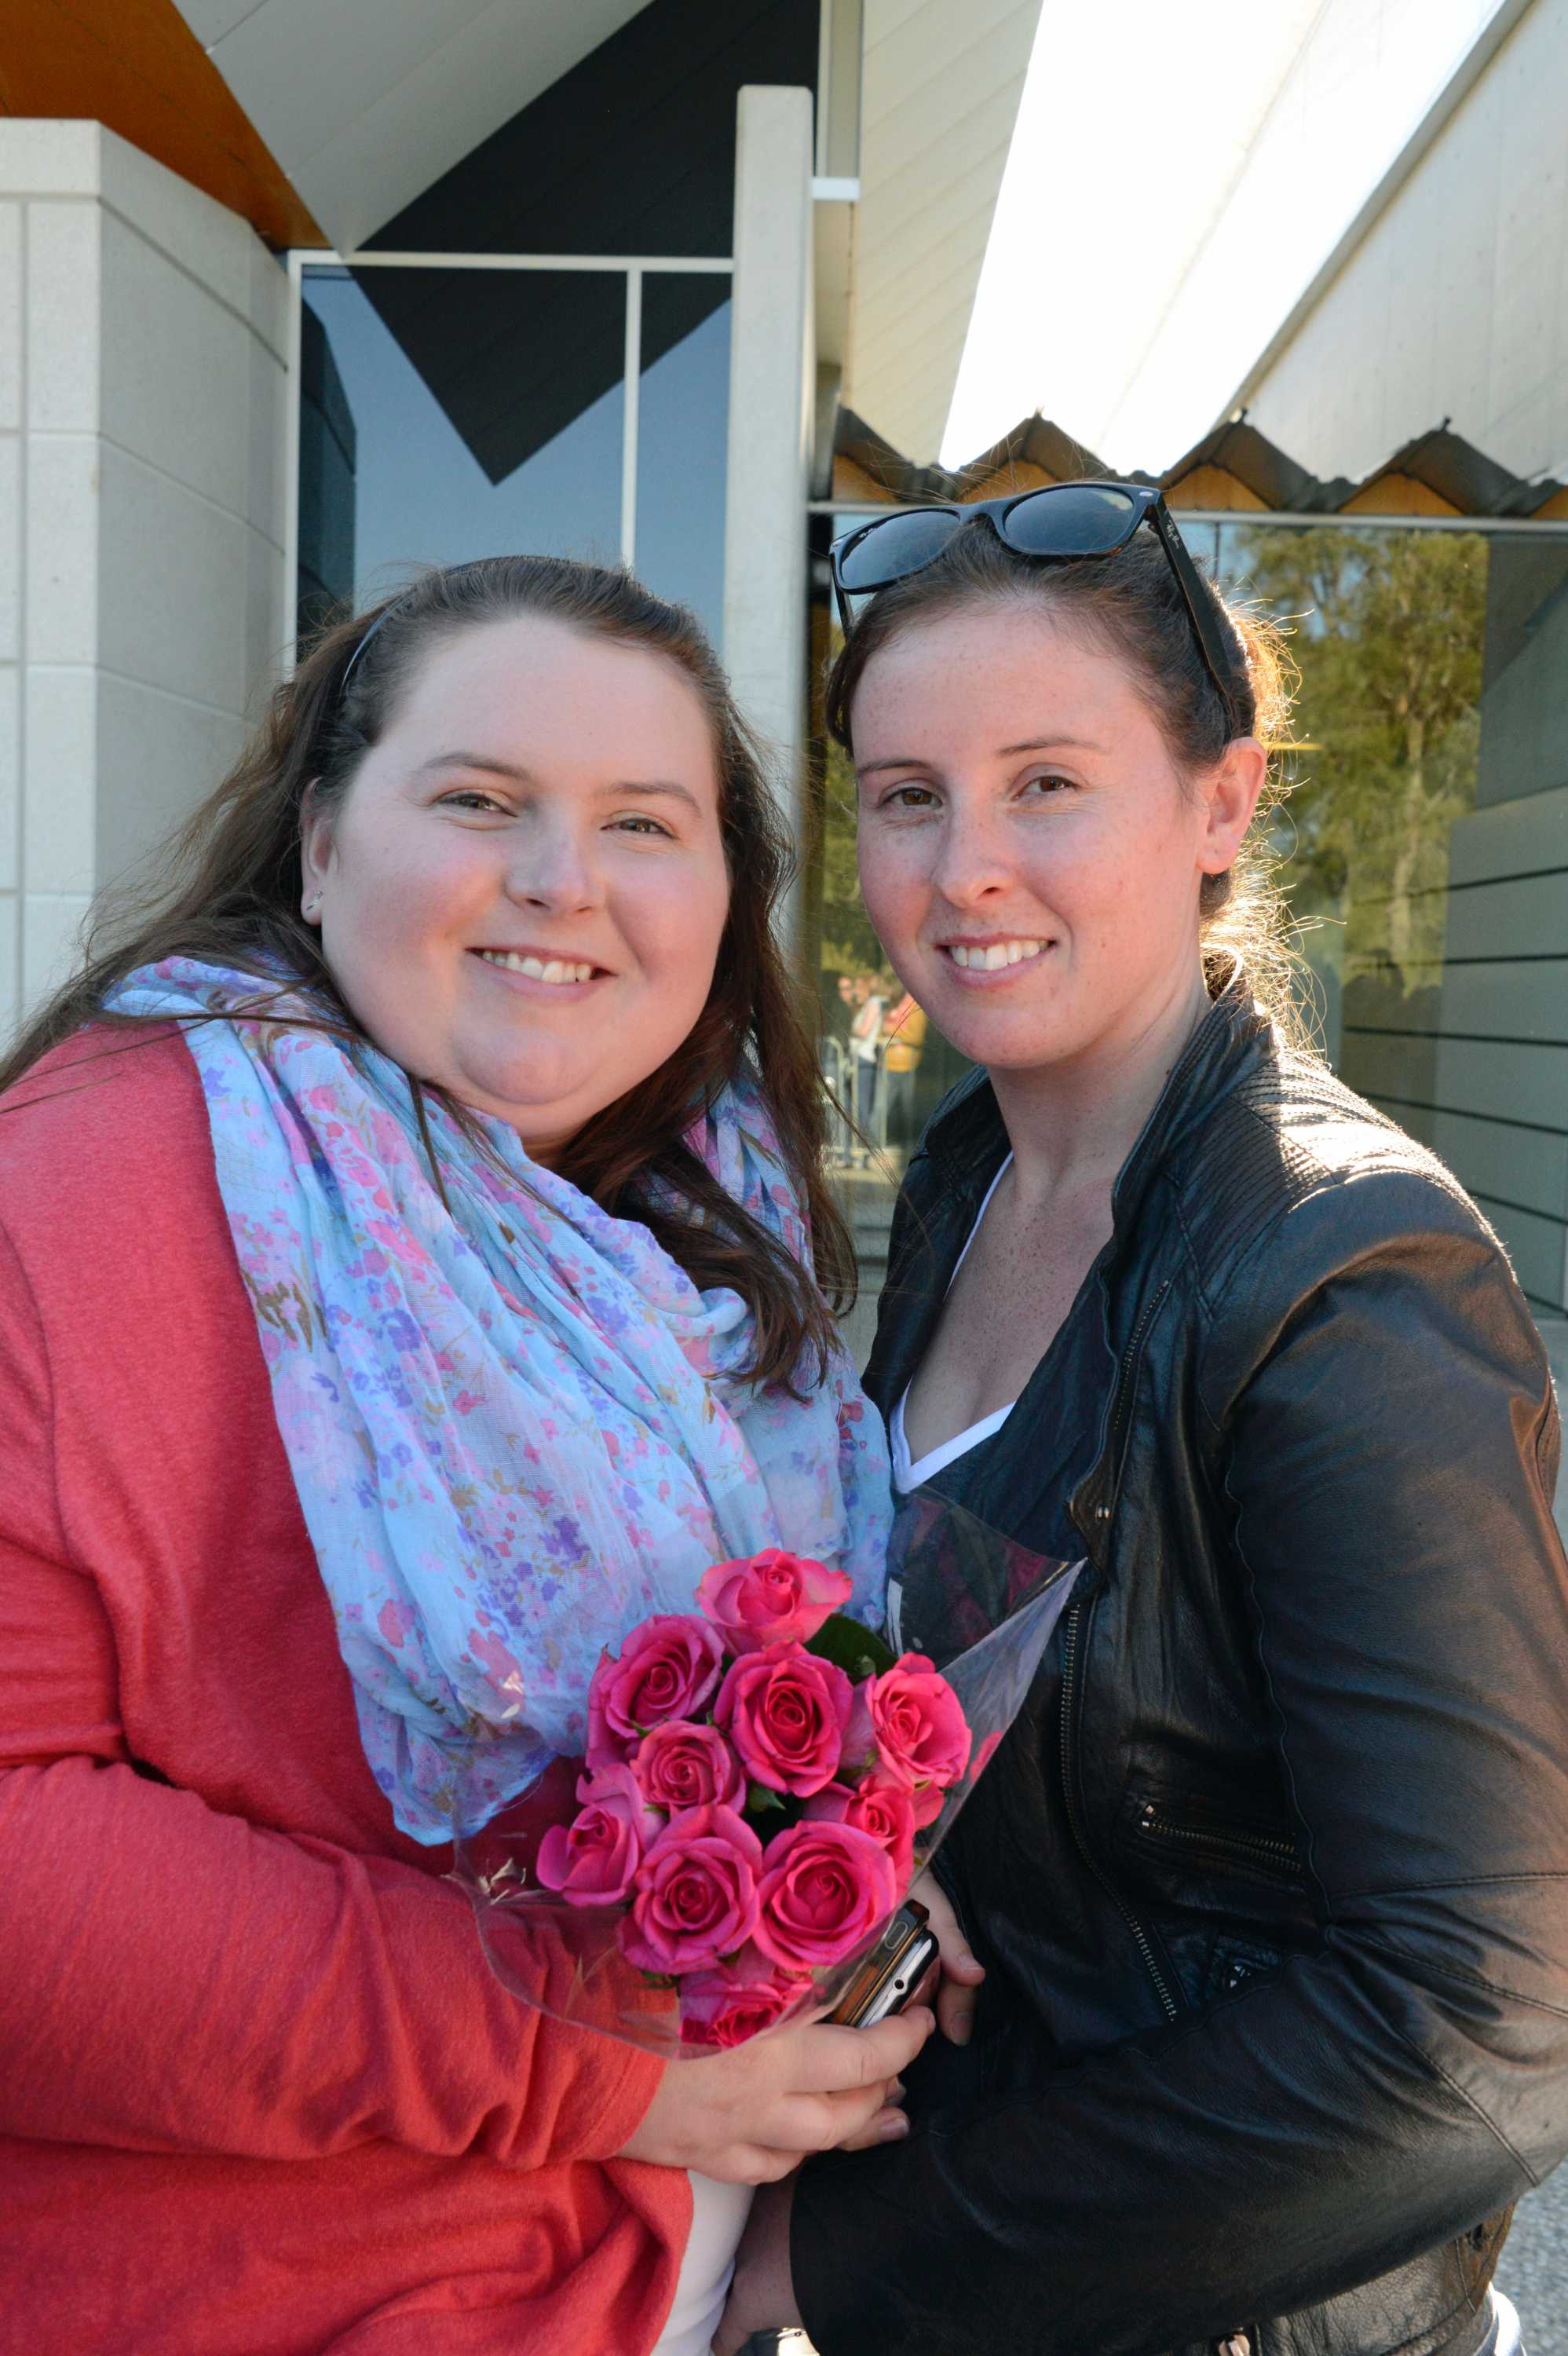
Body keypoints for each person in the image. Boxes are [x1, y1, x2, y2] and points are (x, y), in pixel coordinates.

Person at [0, 555, 933, 2356]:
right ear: (320, 840)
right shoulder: (91, 1184)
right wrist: (572, 2063)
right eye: (479, 800)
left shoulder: (670, 1210)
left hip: (613, 2270)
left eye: (642, 822)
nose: (560, 879)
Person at [719, 487, 1568, 2355]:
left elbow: (1482, 2023)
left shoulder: (1352, 1278)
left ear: (1220, 803)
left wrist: (829, 2259)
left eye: (1046, 782)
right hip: (993, 2252)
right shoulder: (964, 1184)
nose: (962, 869)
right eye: (905, 793)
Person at [879, 984, 928, 1156]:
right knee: (886, 1106)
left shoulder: (915, 1006)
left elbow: (916, 1036)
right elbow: (880, 1032)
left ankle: (909, 1144)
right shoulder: (893, 1007)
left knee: (907, 1108)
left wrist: (894, 1033)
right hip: (889, 1064)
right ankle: (885, 1142)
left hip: (908, 1064)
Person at [847, 974, 886, 1160]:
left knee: (861, 1108)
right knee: (855, 1106)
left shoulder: (873, 1004)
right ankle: (855, 1152)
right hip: (858, 1059)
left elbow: (863, 1031)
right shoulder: (867, 1005)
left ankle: (862, 1153)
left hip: (864, 1059)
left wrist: (849, 1030)